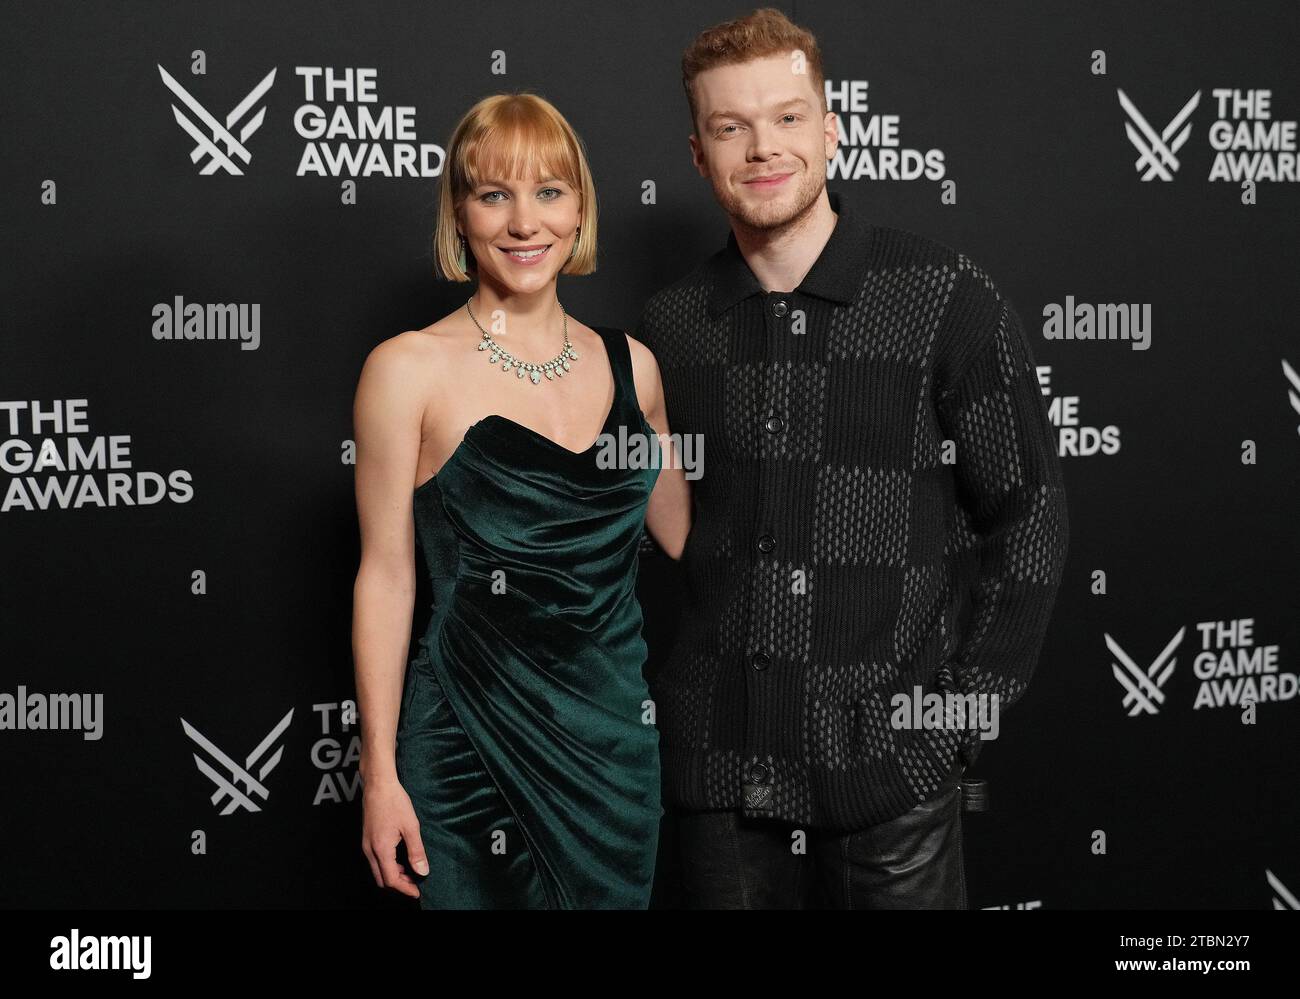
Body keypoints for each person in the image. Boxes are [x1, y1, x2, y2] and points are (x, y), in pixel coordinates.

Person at [633, 8, 1070, 908]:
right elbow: (655, 529)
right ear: (696, 153)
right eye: (730, 126)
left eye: (788, 118)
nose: (763, 147)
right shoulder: (665, 328)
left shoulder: (945, 297)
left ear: (832, 130)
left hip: (888, 777)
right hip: (718, 773)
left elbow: (1029, 514)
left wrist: (950, 720)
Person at [351, 93, 691, 908]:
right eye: (493, 194)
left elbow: (684, 535)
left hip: (613, 758)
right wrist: (378, 777)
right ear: (459, 214)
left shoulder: (633, 368)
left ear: (579, 210)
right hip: (466, 745)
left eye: (549, 191)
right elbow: (388, 579)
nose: (523, 222)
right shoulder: (406, 369)